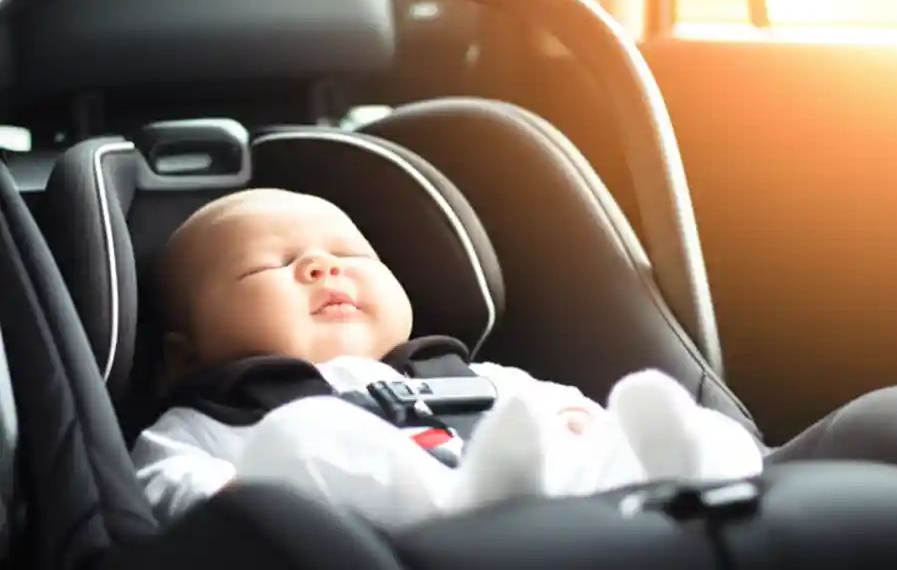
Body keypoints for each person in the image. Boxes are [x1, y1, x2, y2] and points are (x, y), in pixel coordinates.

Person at [132, 188, 764, 531]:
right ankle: (474, 506)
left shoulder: (474, 377)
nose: (323, 266)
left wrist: (578, 422)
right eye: (268, 265)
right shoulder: (205, 423)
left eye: (351, 255)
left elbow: (558, 410)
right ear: (185, 356)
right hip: (386, 547)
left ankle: (703, 470)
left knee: (615, 429)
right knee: (307, 443)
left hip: (567, 515)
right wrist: (243, 495)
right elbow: (160, 490)